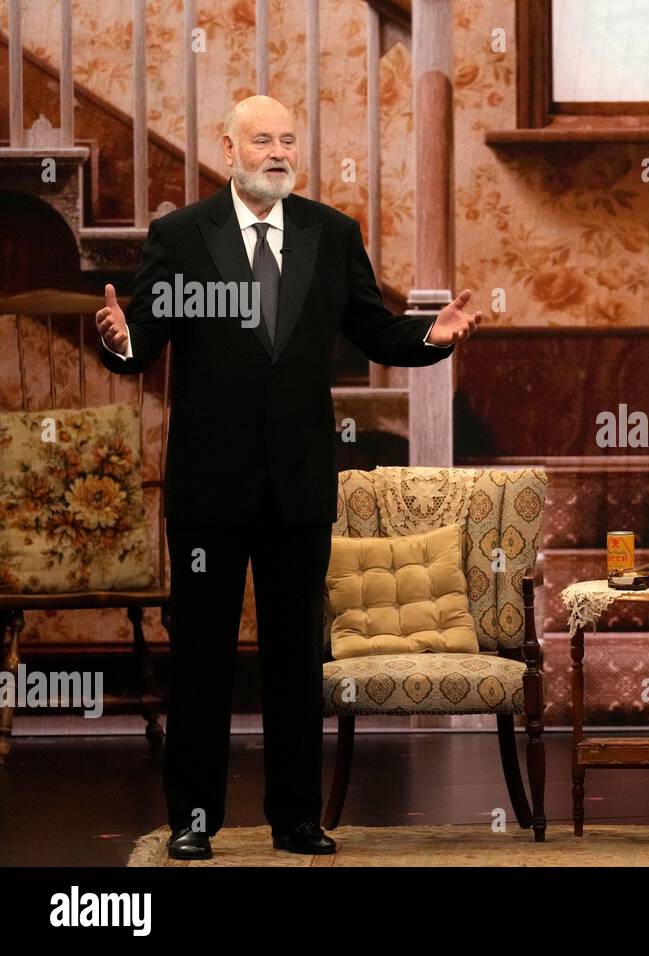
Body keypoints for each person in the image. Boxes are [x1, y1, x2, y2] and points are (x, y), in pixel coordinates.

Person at [95, 95, 481, 860]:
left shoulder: (330, 234)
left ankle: (297, 819)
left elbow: (372, 328)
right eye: (261, 139)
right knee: (202, 658)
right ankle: (193, 821)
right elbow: (140, 341)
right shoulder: (180, 236)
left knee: (296, 658)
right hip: (208, 489)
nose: (277, 151)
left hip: (299, 486)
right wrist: (117, 340)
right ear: (229, 148)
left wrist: (431, 337)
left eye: (288, 140)